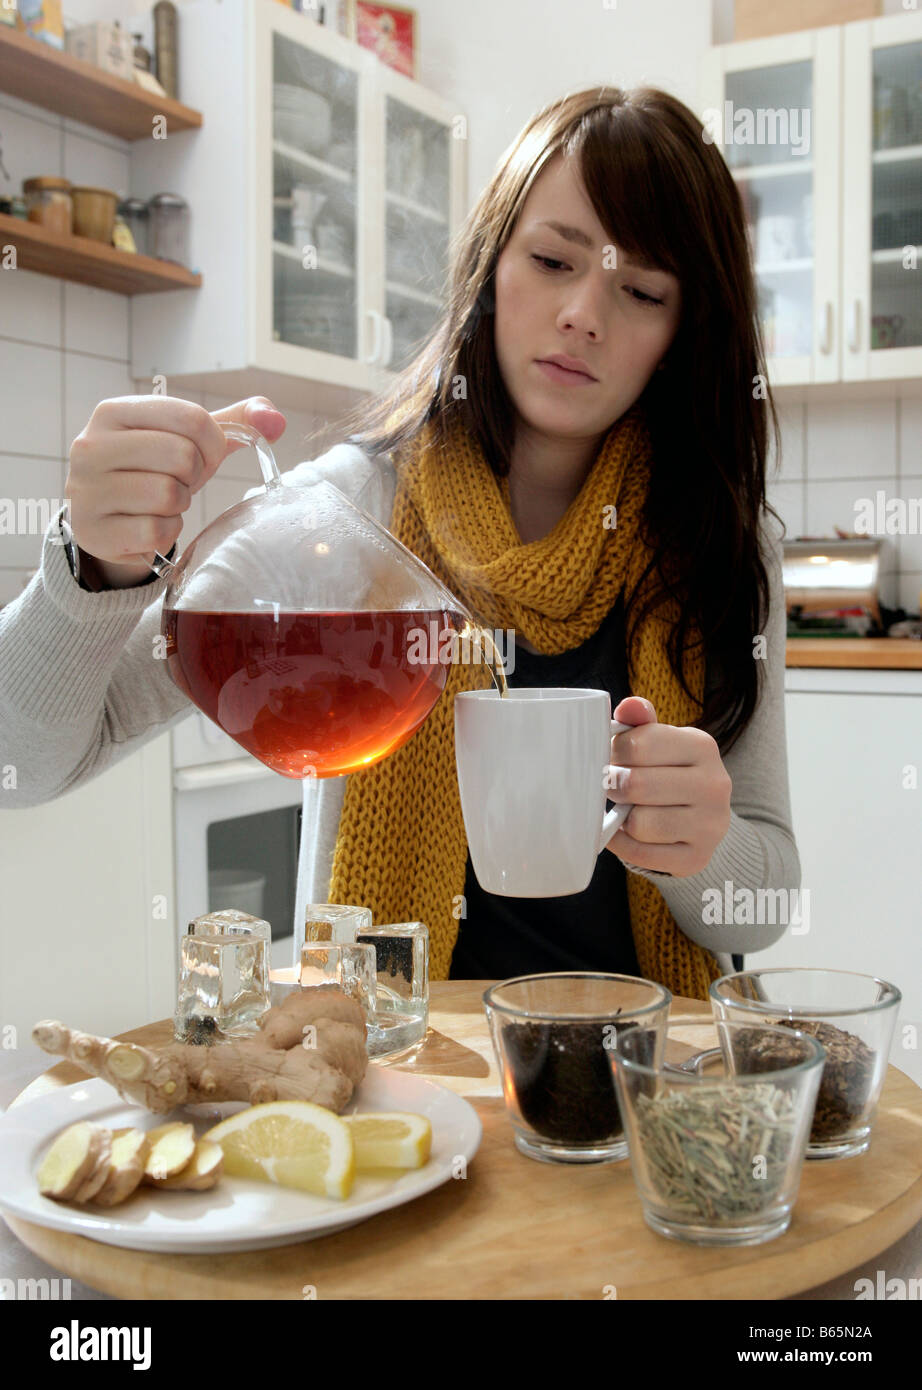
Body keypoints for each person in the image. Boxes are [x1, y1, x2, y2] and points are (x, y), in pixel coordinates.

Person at [0, 86, 798, 999]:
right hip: (401, 1080)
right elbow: (19, 765)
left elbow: (764, 906)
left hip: (649, 1076)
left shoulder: (724, 549)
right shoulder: (350, 509)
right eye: (550, 260)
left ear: (683, 333)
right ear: (491, 270)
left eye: (643, 290)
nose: (585, 312)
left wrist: (700, 846)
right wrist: (93, 565)